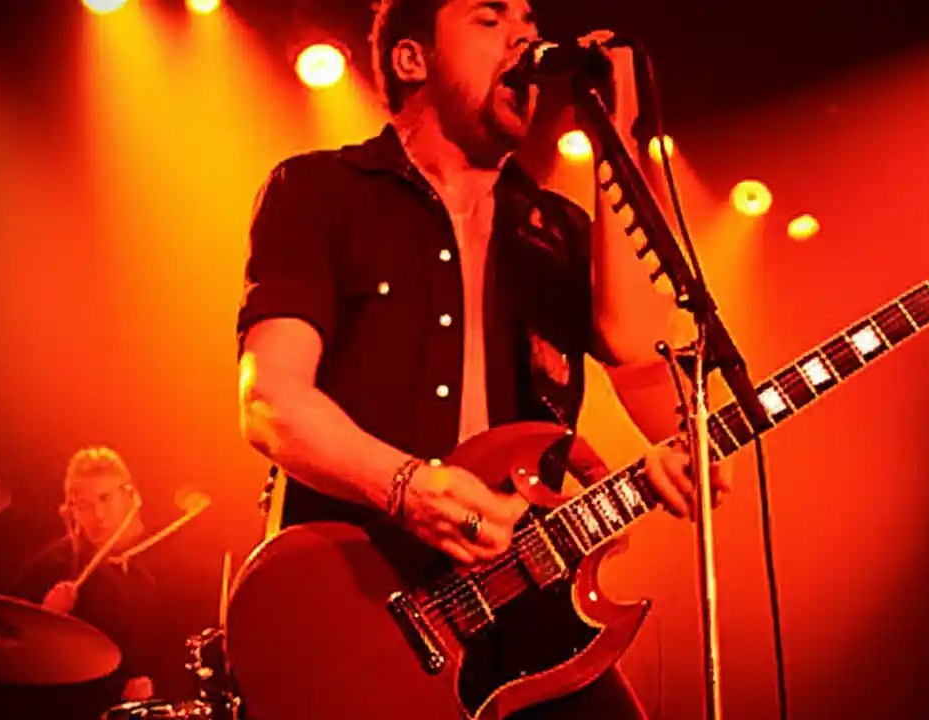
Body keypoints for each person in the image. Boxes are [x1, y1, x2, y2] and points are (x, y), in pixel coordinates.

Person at [236, 0, 729, 716]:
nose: (525, 36)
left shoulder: (558, 230)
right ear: (413, 60)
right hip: (363, 604)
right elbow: (271, 401)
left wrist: (613, 132)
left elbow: (641, 360)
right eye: (489, 17)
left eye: (527, 22)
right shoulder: (318, 192)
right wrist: (407, 487)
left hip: (531, 606)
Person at [13, 446, 159, 718]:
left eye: (106, 499)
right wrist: (46, 618)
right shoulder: (48, 568)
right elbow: (9, 658)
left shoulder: (140, 578)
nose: (99, 515)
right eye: (86, 506)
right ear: (71, 511)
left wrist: (139, 685)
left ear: (129, 498)